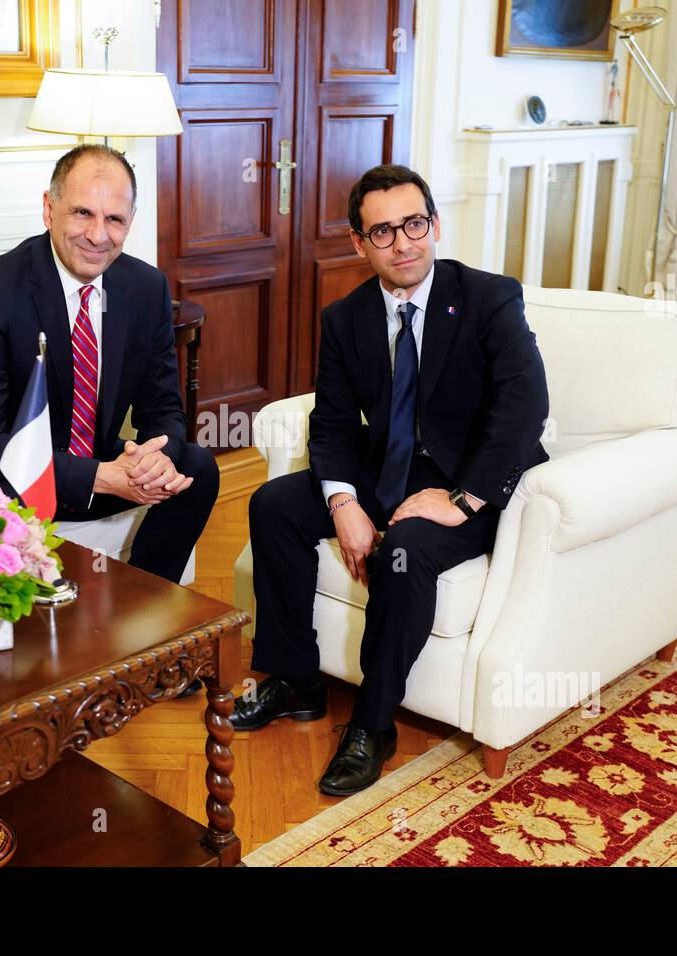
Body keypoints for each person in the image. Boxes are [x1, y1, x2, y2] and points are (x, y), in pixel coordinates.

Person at [233, 164, 550, 795]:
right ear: (359, 243)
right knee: (272, 504)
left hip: (470, 486)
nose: (403, 243)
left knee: (403, 552)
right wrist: (345, 501)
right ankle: (296, 680)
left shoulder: (489, 298)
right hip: (386, 478)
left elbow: (525, 407)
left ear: (434, 224)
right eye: (383, 232)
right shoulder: (345, 318)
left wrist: (463, 499)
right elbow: (330, 424)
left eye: (414, 224)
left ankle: (373, 725)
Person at [0, 144, 218, 592]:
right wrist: (101, 477)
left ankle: (142, 610)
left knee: (197, 468)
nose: (97, 235)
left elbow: (164, 407)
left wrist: (152, 461)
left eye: (115, 219)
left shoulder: (145, 287)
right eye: (82, 213)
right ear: (49, 210)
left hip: (84, 464)